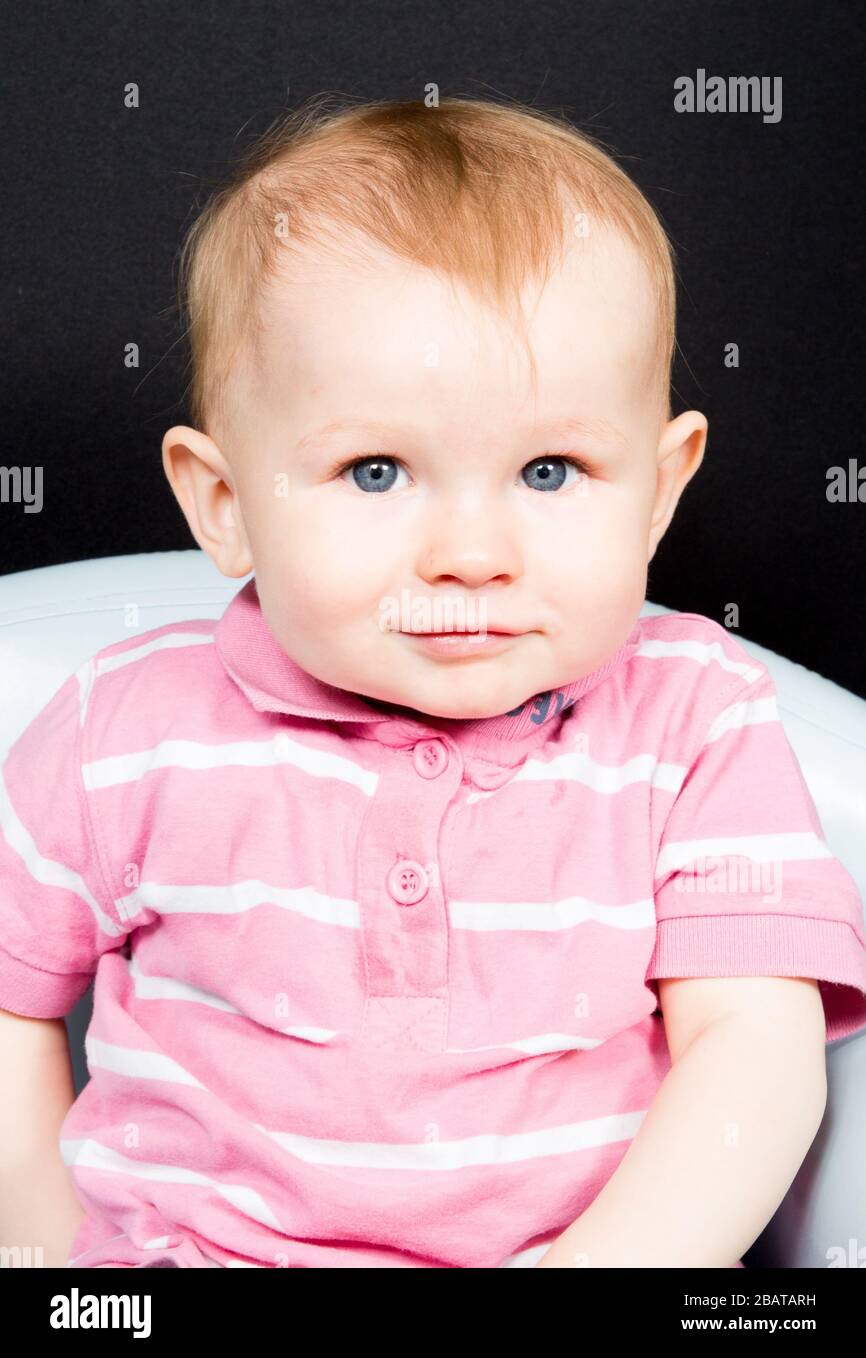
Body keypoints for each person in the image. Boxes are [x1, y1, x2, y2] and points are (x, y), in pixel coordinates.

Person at [2, 96, 864, 1269]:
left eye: (549, 469)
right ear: (225, 500)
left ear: (658, 492)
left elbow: (754, 1051)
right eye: (375, 470)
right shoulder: (124, 731)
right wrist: (60, 1268)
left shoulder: (693, 722)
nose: (470, 549)